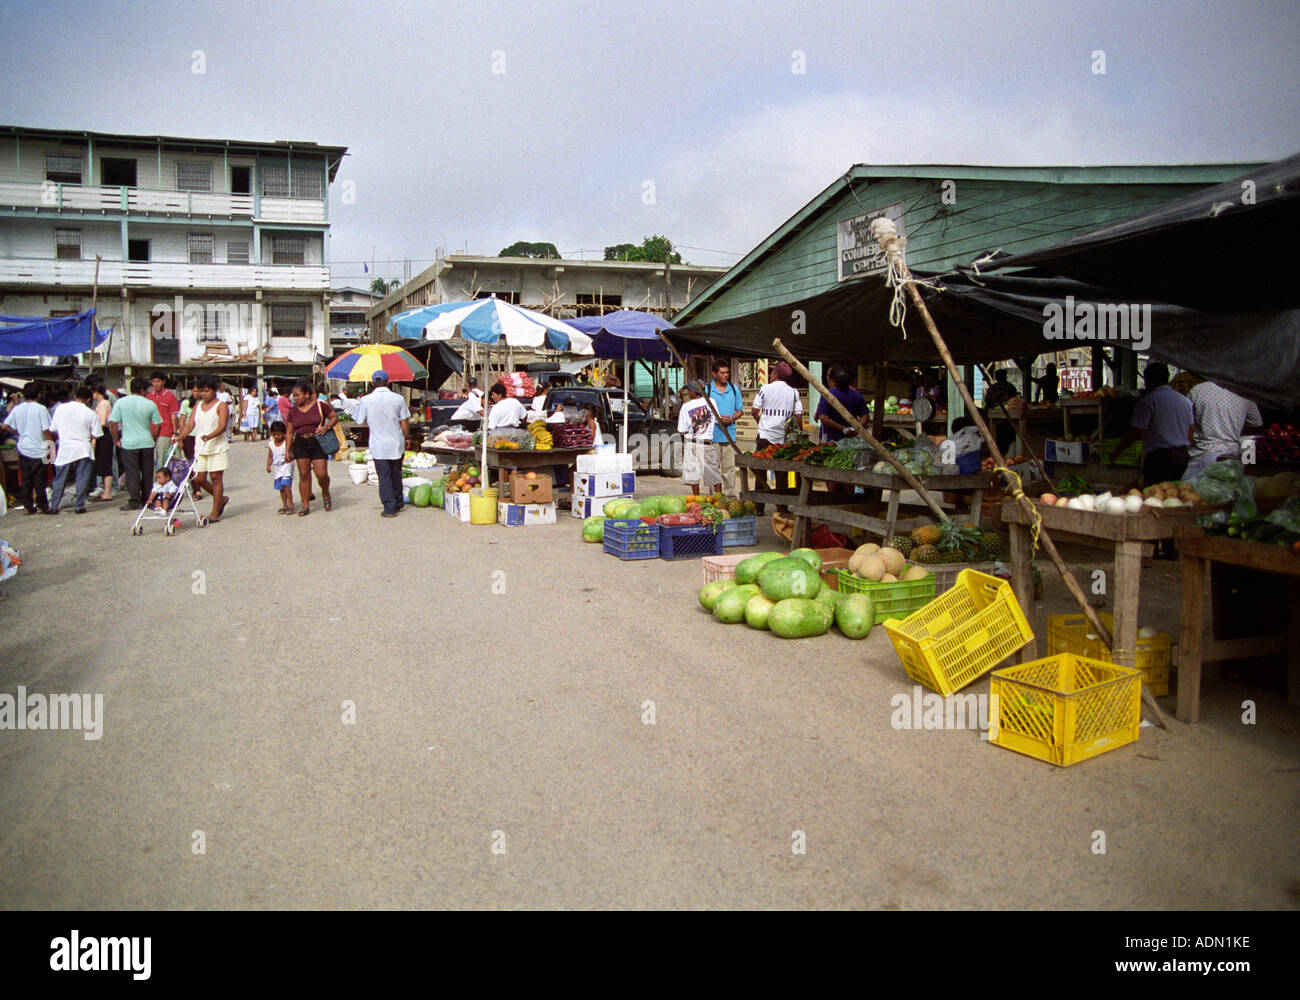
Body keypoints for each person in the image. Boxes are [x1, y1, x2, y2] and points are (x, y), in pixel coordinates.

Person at [1109, 363, 1194, 559]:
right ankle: (1171, 546)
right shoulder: (1184, 401)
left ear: (1149, 380)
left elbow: (1136, 431)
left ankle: (1153, 545)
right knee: (1173, 499)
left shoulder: (1148, 402)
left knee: (1154, 500)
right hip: (1181, 454)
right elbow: (1190, 433)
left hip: (1160, 457)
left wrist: (1118, 451)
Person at [352, 371, 412, 518]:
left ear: (372, 383)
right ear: (388, 382)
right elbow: (404, 421)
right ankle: (398, 502)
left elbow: (359, 420)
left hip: (378, 444)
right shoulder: (398, 398)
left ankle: (389, 507)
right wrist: (407, 438)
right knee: (396, 473)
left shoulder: (365, 400)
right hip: (396, 442)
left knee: (384, 475)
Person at [172, 374, 231, 522]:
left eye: (207, 391)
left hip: (216, 446)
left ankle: (215, 512)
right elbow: (190, 424)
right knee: (198, 479)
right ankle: (221, 498)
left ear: (214, 391)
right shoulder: (197, 406)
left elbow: (223, 425)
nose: (204, 394)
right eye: (201, 391)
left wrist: (211, 435)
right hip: (201, 446)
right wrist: (181, 436)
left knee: (216, 478)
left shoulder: (221, 405)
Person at [1183, 380, 1263, 480]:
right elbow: (1256, 423)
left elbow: (1185, 422)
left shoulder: (1197, 390)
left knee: (1190, 490)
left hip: (1203, 456)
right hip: (1232, 456)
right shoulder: (1245, 393)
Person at [43, 384, 101, 515]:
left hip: (65, 447)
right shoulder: (91, 413)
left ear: (75, 397)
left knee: (60, 478)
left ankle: (54, 506)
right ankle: (79, 506)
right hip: (83, 448)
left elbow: (53, 429)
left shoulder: (61, 409)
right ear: (88, 400)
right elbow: (96, 434)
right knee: (82, 478)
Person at [282, 379, 337, 516]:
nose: (295, 398)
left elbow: (334, 417)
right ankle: (305, 505)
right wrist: (287, 450)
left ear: (306, 394)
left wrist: (326, 426)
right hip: (301, 443)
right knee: (304, 474)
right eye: (293, 396)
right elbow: (289, 432)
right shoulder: (293, 412)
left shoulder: (320, 405)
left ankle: (325, 492)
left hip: (318, 441)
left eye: (297, 395)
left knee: (321, 474)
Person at [108, 377, 163, 511]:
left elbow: (113, 423)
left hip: (128, 443)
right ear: (142, 390)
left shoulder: (120, 403)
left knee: (132, 473)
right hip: (146, 442)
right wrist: (153, 439)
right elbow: (157, 425)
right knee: (147, 473)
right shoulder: (150, 404)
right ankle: (147, 499)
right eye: (146, 390)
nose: (147, 392)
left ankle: (134, 501)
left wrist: (116, 439)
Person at [0, 382, 52, 514]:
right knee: (40, 479)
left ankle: (27, 507)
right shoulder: (41, 409)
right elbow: (46, 430)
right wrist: (51, 446)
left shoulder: (18, 409)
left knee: (26, 479)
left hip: (23, 448)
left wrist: (17, 432)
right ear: (39, 394)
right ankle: (42, 505)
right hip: (39, 448)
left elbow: (4, 426)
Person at [707, 359, 744, 496]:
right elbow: (704, 412)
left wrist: (732, 418)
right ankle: (714, 497)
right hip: (713, 435)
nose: (725, 375)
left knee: (729, 469)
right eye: (722, 373)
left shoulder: (734, 389)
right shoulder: (708, 390)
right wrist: (717, 419)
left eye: (727, 372)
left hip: (729, 435)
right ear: (714, 374)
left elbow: (740, 410)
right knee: (713, 468)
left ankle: (728, 496)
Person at [677, 381, 720, 494]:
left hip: (692, 443)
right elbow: (717, 420)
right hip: (707, 443)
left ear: (692, 392)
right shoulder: (711, 402)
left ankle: (696, 499)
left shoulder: (686, 406)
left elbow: (682, 430)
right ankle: (719, 499)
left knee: (693, 476)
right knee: (714, 474)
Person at [752, 362, 803, 450]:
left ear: (775, 374)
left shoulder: (764, 389)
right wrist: (798, 432)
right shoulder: (794, 392)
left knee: (762, 461)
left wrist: (759, 421)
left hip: (765, 436)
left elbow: (754, 411)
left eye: (771, 372)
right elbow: (798, 417)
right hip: (784, 439)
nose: (770, 374)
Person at [815, 366, 869, 442]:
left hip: (830, 442)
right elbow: (865, 416)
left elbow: (824, 418)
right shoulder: (856, 395)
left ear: (832, 380)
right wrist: (855, 429)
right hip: (851, 441)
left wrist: (844, 429)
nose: (827, 380)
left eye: (828, 378)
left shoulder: (828, 394)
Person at [146, 372, 180, 471]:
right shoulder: (149, 396)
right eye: (153, 381)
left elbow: (174, 416)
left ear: (164, 382)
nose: (156, 384)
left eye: (158, 381)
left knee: (161, 459)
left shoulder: (170, 396)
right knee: (152, 459)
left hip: (165, 432)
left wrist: (174, 433)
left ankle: (160, 482)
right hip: (150, 432)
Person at [89, 384, 116, 502]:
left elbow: (102, 423)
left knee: (106, 464)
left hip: (103, 434)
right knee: (103, 463)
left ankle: (107, 492)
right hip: (101, 434)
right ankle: (106, 491)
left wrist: (94, 439)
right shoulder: (102, 404)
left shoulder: (104, 404)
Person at [266, 420, 295, 514]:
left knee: (286, 485)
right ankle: (284, 505)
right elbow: (270, 456)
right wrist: (268, 465)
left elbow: (292, 452)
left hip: (287, 466)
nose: (277, 437)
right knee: (281, 488)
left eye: (279, 434)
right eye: (274, 434)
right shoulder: (271, 444)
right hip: (277, 468)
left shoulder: (287, 442)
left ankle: (290, 504)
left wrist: (290, 455)